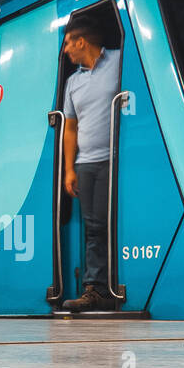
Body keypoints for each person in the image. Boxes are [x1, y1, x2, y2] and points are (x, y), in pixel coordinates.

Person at [59, 18, 122, 312]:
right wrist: (69, 169)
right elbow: (69, 128)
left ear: (81, 41)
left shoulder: (121, 61)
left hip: (117, 159)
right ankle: (95, 290)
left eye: (68, 43)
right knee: (94, 228)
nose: (66, 50)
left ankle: (115, 285)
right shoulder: (73, 82)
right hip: (87, 164)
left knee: (114, 223)